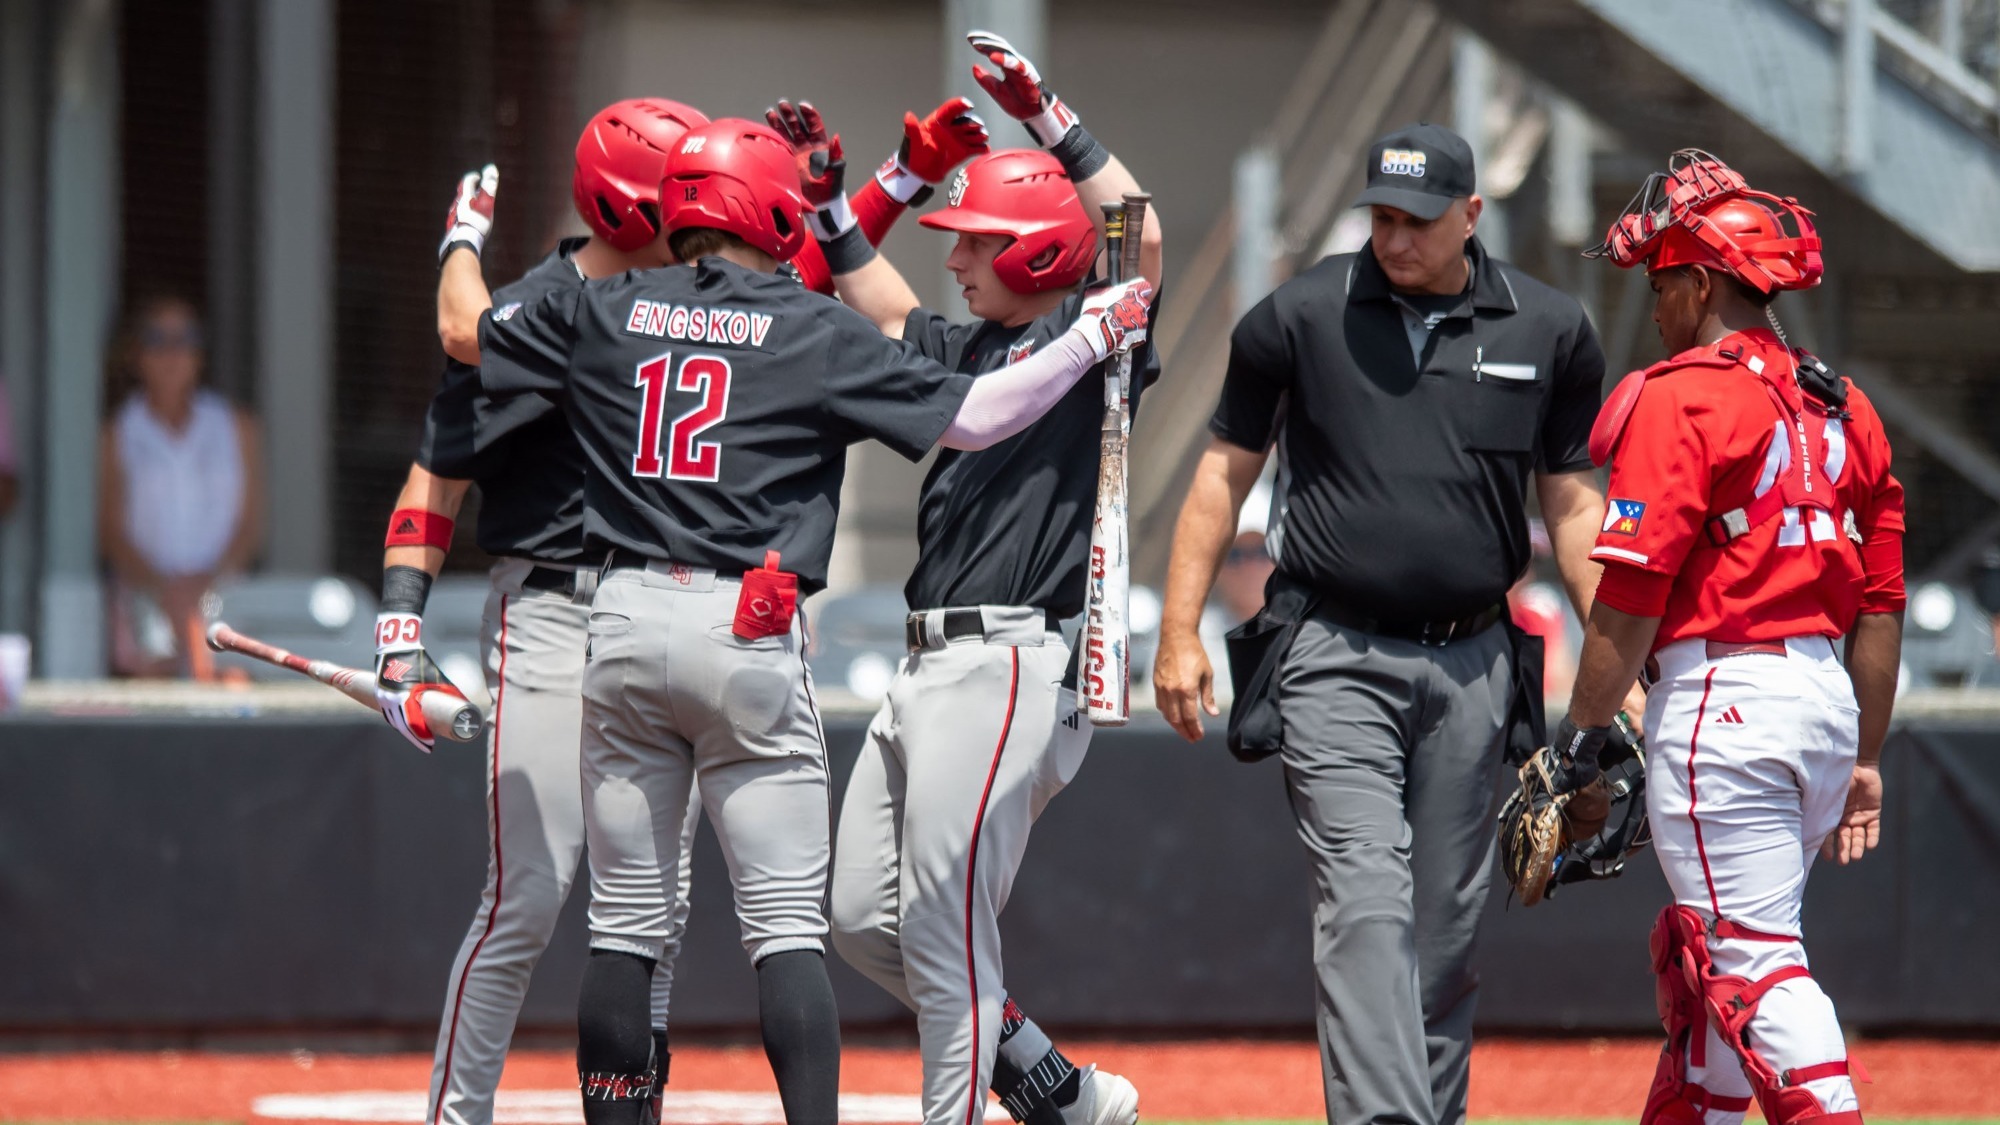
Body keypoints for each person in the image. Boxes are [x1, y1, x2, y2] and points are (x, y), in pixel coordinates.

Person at [436, 116, 1151, 1125]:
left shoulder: (604, 308)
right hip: (745, 630)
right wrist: (1089, 336)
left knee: (625, 929)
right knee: (785, 930)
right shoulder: (805, 326)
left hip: (620, 618)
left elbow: (467, 329)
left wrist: (460, 237)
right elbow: (977, 415)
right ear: (767, 209)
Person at [1151, 122, 1636, 1125]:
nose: (1394, 238)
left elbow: (1573, 505)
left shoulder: (1546, 328)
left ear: (1471, 214)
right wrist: (1178, 630)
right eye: (1379, 216)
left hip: (1473, 665)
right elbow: (1221, 472)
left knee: (1443, 932)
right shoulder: (1298, 314)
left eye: (1416, 220)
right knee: (1364, 901)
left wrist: (1616, 654)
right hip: (1332, 653)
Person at [766, 29, 1162, 1125]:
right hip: (925, 659)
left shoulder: (1101, 338)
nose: (955, 256)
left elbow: (1139, 230)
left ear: (1036, 251)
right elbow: (880, 306)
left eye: (976, 241)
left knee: (942, 924)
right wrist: (838, 205)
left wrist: (1048, 115)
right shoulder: (966, 347)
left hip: (1011, 656)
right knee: (856, 919)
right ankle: (1048, 1085)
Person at [371, 99, 727, 1125]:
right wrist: (400, 637)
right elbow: (433, 480)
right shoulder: (525, 317)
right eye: (683, 197)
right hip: (553, 614)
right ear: (628, 207)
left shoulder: (694, 300)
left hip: (664, 614)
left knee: (659, 907)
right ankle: (455, 1114)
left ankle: (635, 1112)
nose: (706, 216)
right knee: (528, 892)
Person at [1561, 150, 1904, 1125]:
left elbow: (1627, 598)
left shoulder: (1680, 394)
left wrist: (1576, 745)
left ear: (1702, 282)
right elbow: (1878, 607)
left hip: (1724, 709)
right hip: (1821, 708)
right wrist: (1866, 758)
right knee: (1704, 962)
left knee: (1749, 961)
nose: (1657, 302)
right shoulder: (1845, 406)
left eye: (1663, 282)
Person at [97, 294, 264, 679]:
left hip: (226, 601)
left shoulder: (238, 427)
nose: (173, 352)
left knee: (228, 708)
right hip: (145, 607)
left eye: (185, 338)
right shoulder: (118, 432)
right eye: (158, 339)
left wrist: (205, 586)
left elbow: (250, 526)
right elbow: (110, 530)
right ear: (135, 354)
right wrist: (164, 590)